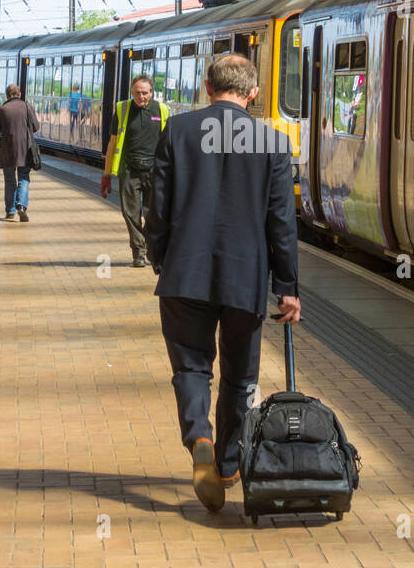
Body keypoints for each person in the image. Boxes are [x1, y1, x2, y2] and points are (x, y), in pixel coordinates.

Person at [145, 54, 300, 513]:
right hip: (245, 277)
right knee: (239, 376)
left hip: (185, 273)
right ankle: (229, 464)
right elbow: (281, 223)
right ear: (252, 94)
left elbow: (158, 207)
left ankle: (200, 438)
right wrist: (287, 286)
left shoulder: (178, 130)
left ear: (207, 88)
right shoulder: (272, 142)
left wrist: (160, 258)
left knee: (191, 368)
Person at [101, 75, 169, 267]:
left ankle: (152, 249)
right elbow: (113, 142)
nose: (141, 97)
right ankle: (139, 252)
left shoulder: (162, 110)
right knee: (130, 213)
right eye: (137, 93)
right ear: (131, 93)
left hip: (155, 171)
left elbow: (168, 144)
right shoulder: (122, 109)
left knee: (152, 214)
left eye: (145, 93)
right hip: (129, 170)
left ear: (152, 92)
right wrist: (106, 175)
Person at [0, 83, 39, 222]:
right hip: (25, 149)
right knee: (23, 177)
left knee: (9, 180)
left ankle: (10, 212)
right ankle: (21, 206)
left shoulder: (2, 109)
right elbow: (36, 127)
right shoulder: (27, 107)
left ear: (7, 96)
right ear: (19, 94)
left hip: (7, 151)